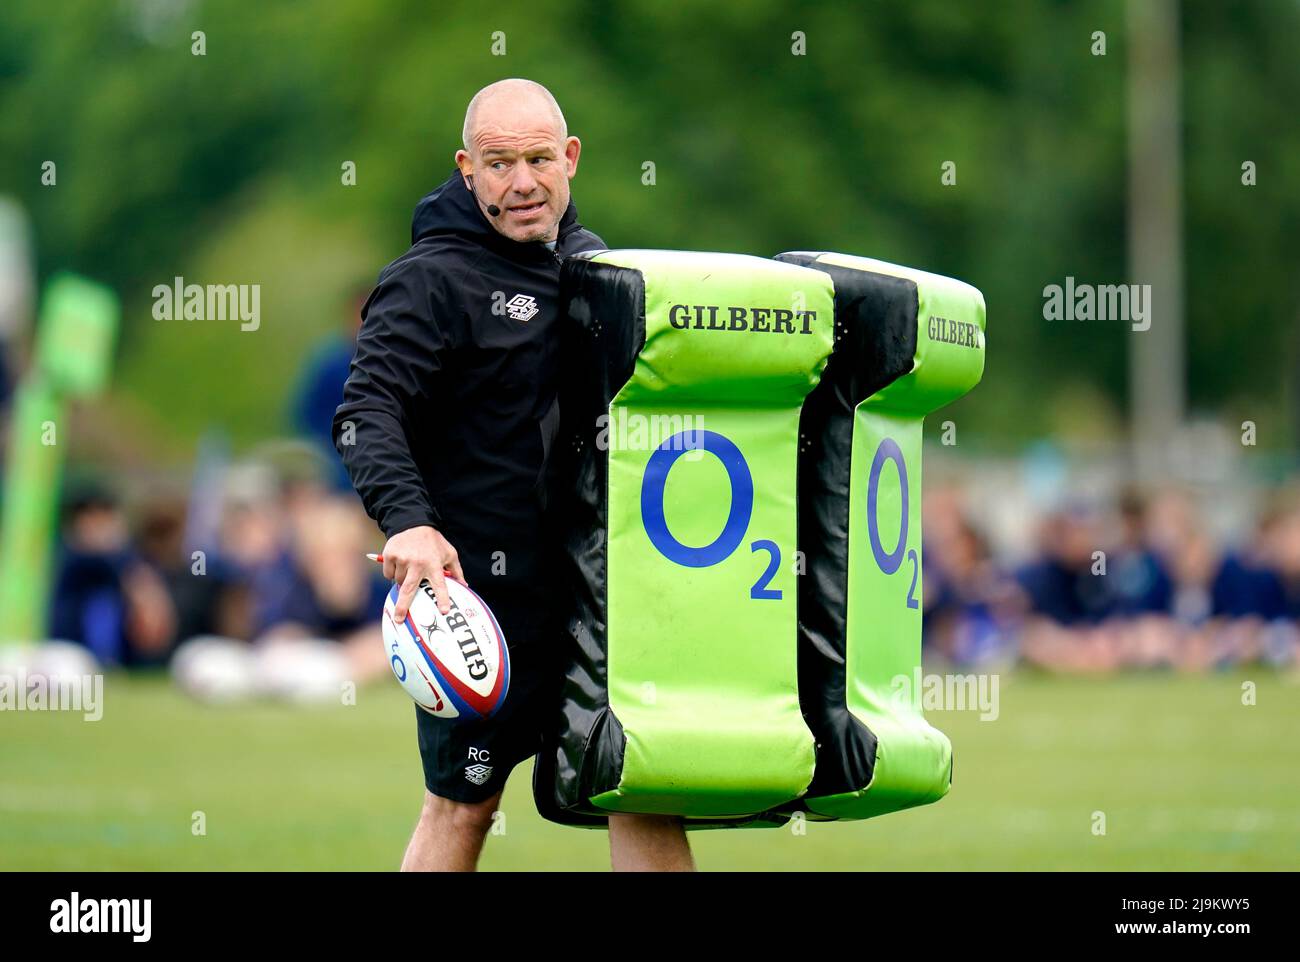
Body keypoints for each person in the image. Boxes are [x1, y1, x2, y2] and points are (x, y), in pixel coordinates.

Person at [333, 78, 695, 871]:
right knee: (463, 808)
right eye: (499, 164)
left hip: (601, 597)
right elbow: (366, 412)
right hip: (482, 609)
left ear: (570, 159)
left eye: (538, 159)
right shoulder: (429, 280)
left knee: (640, 789)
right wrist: (410, 523)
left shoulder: (599, 268)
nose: (523, 182)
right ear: (467, 169)